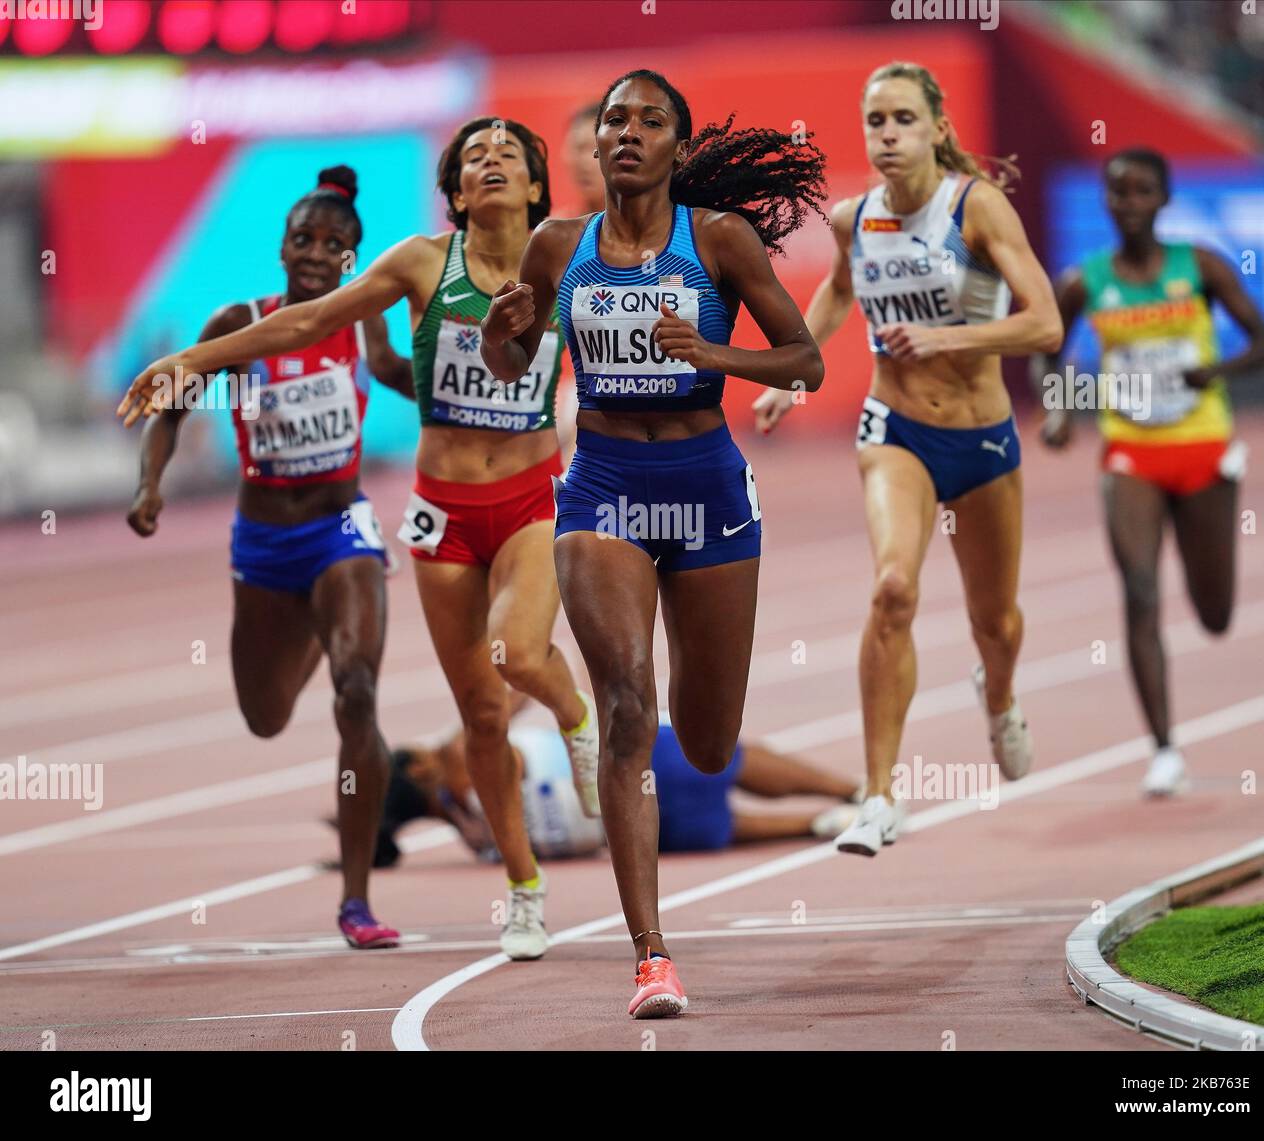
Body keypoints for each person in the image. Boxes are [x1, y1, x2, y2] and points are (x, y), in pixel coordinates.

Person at [118, 122, 600, 963]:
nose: (488, 162)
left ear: (534, 186)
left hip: (506, 500)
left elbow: (647, 260)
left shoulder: (562, 251)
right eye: (472, 157)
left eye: (508, 157)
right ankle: (525, 888)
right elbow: (301, 327)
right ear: (453, 192)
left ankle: (575, 718)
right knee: (475, 717)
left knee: (510, 658)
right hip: (426, 513)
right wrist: (192, 364)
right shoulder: (418, 263)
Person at [481, 69, 827, 1018]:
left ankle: (691, 748)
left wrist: (713, 355)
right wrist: (504, 337)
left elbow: (807, 358)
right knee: (627, 701)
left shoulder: (718, 240)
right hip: (605, 489)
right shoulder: (560, 246)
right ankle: (652, 957)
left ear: (678, 143)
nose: (624, 134)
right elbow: (512, 363)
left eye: (647, 121)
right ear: (595, 148)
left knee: (708, 742)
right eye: (611, 123)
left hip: (706, 486)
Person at [754, 61, 1063, 857]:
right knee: (893, 588)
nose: (887, 135)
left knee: (994, 621)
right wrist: (794, 371)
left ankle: (998, 696)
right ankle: (880, 795)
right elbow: (834, 293)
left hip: (984, 437)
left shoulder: (977, 208)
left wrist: (949, 336)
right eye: (875, 122)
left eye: (902, 120)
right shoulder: (856, 217)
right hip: (897, 429)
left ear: (936, 127)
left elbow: (1046, 324)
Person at [121, 167, 413, 948]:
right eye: (302, 239)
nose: (315, 254)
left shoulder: (362, 320)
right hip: (264, 543)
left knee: (356, 693)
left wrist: (481, 387)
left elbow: (396, 375)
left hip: (341, 528)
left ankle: (357, 899)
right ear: (282, 247)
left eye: (333, 245)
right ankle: (318, 623)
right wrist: (150, 484)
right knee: (265, 716)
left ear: (353, 262)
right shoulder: (237, 322)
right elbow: (172, 406)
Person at [1038, 148, 1264, 795]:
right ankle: (1165, 747)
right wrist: (1060, 412)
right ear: (1106, 202)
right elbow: (1047, 355)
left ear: (1164, 199)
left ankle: (1208, 617)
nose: (1130, 203)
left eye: (1143, 190)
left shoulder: (1198, 266)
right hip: (1130, 451)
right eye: (1118, 192)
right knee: (1140, 590)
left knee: (1215, 612)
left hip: (1202, 448)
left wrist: (1215, 373)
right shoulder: (1084, 281)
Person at [373, 708, 862, 867]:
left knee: (727, 786)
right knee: (725, 795)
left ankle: (839, 804)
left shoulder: (466, 790)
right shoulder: (467, 800)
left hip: (625, 797)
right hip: (624, 801)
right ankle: (833, 807)